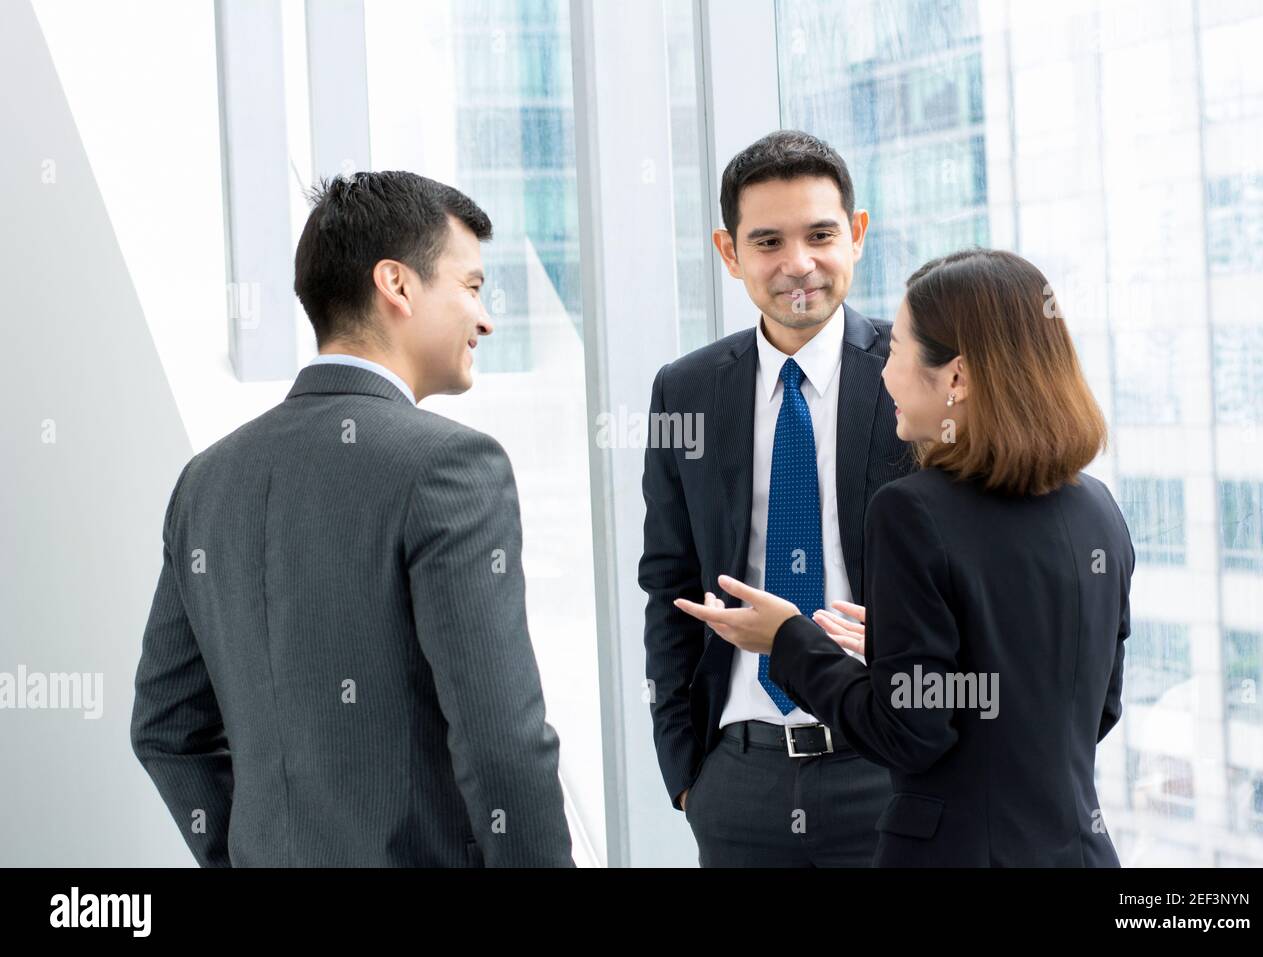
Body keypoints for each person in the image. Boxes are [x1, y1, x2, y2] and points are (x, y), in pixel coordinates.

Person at [130, 171, 573, 867]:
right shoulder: (451, 465)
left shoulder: (207, 481)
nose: (485, 319)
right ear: (396, 284)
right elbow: (500, 742)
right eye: (472, 287)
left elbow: (165, 728)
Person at [674, 248, 1134, 867]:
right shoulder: (1098, 508)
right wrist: (904, 657)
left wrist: (786, 638)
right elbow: (1091, 706)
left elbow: (908, 734)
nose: (885, 375)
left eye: (897, 353)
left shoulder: (912, 512)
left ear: (958, 378)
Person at [640, 130, 913, 866]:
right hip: (739, 780)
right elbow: (666, 581)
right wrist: (686, 774)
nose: (799, 264)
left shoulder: (917, 371)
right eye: (768, 241)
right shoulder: (684, 389)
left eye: (821, 234)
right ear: (730, 253)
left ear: (856, 235)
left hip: (890, 768)